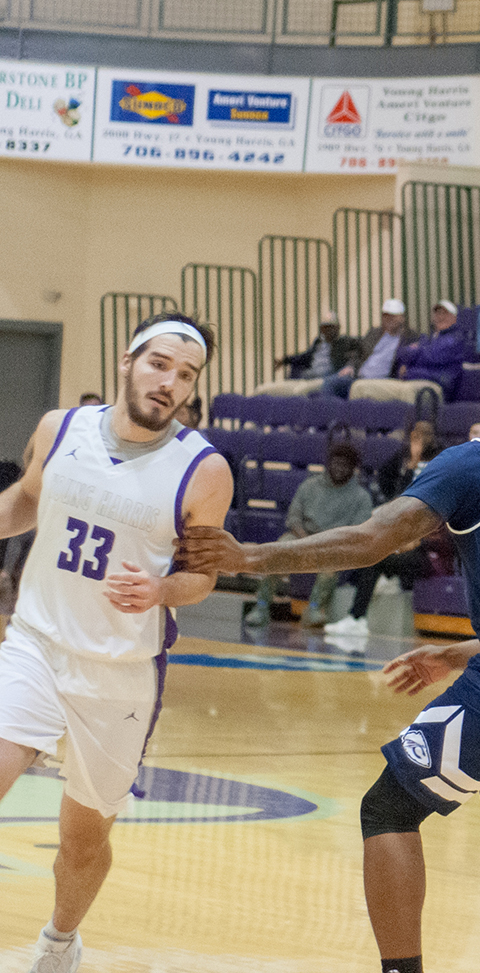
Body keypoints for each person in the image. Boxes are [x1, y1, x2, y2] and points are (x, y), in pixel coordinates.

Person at [186, 338, 480, 973]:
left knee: (388, 806)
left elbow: (372, 539)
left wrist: (249, 557)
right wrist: (462, 652)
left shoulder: (479, 460)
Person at [0, 315, 229, 972]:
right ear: (127, 361)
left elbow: (202, 576)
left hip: (123, 673)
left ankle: (60, 942)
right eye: (160, 364)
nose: (171, 383)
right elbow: (27, 500)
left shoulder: (204, 470)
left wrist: (161, 591)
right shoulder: (59, 429)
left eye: (186, 375)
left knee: (82, 838)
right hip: (37, 643)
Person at [249, 441, 375, 631]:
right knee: (277, 550)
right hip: (302, 538)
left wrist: (324, 544)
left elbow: (357, 533)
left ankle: (315, 609)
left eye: (345, 465)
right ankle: (261, 606)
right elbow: (293, 517)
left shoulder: (361, 497)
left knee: (334, 562)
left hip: (335, 547)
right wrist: (305, 539)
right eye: (336, 463)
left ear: (353, 468)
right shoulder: (309, 485)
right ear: (328, 463)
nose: (339, 468)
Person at [348, 300, 471, 404]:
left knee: (409, 392)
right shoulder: (428, 338)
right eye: (437, 313)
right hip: (412, 381)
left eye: (445, 314)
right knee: (359, 387)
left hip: (437, 387)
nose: (440, 317)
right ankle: (356, 431)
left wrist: (410, 369)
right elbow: (402, 354)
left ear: (454, 318)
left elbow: (431, 358)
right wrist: (416, 355)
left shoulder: (455, 339)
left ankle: (405, 431)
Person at [319, 300, 423, 401]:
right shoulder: (374, 333)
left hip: (384, 379)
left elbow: (413, 356)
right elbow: (358, 353)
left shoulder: (409, 337)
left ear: (402, 318)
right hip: (359, 375)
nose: (389, 319)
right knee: (330, 383)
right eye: (386, 315)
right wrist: (351, 366)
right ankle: (330, 417)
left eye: (393, 315)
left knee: (356, 388)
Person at [259, 309, 364, 395]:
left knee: (303, 385)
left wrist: (350, 365)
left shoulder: (344, 342)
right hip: (311, 374)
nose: (328, 330)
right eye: (325, 327)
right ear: (321, 329)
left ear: (337, 328)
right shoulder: (318, 342)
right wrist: (286, 360)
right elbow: (305, 357)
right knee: (293, 378)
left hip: (329, 374)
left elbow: (356, 353)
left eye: (331, 327)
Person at [380, 421, 441, 502]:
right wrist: (411, 465)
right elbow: (384, 476)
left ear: (432, 437)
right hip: (405, 503)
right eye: (416, 436)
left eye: (426, 434)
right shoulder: (403, 455)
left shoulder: (440, 457)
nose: (421, 439)